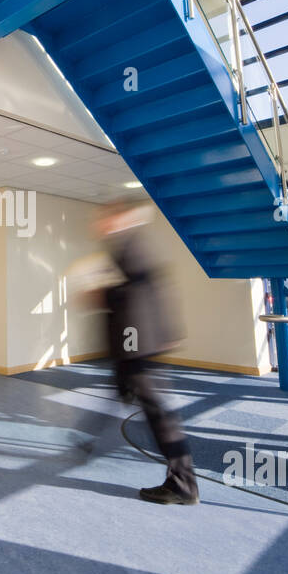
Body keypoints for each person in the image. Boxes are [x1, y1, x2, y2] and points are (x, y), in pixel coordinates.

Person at [92, 200, 198, 506]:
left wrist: (101, 293)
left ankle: (183, 485)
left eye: (106, 217)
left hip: (138, 347)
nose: (100, 224)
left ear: (120, 218)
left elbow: (135, 299)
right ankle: (181, 482)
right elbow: (149, 293)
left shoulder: (132, 246)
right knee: (152, 411)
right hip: (136, 347)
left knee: (160, 416)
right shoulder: (127, 247)